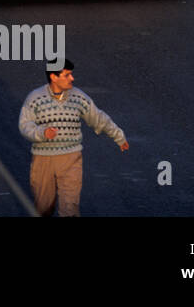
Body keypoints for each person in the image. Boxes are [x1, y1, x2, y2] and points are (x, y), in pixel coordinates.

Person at [18, 59, 129, 217]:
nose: (72, 78)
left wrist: (118, 136)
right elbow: (25, 125)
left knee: (70, 207)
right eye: (67, 75)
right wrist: (42, 133)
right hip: (43, 159)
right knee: (43, 207)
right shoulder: (35, 98)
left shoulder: (78, 97)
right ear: (54, 77)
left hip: (71, 158)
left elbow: (98, 118)